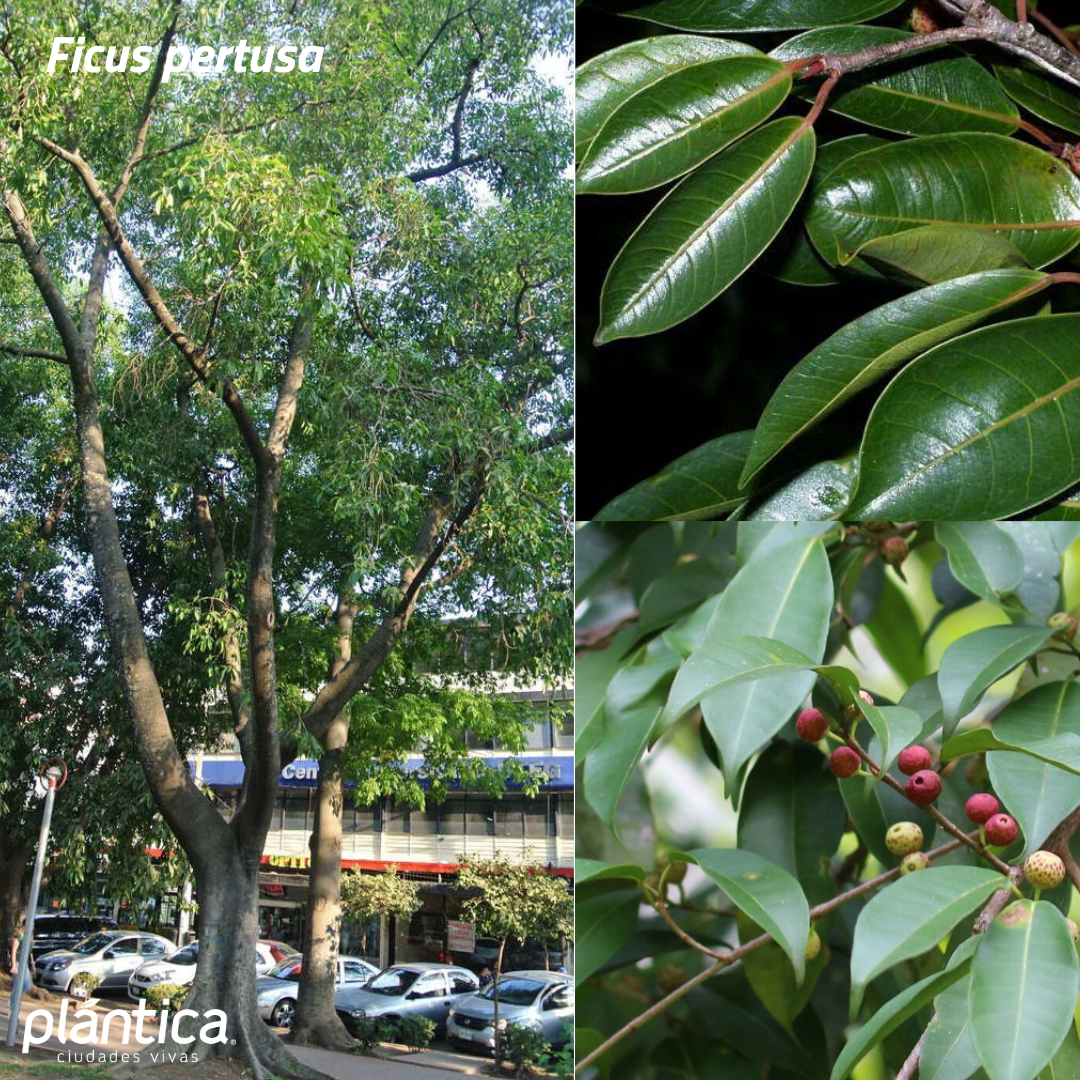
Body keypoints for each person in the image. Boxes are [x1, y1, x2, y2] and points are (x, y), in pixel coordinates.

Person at [8, 916, 35, 993]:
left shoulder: (29, 937)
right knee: (19, 984)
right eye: (31, 925)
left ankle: (16, 1000)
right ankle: (14, 1002)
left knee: (26, 985)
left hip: (24, 964)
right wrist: (13, 965)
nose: (32, 927)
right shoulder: (19, 936)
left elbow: (30, 952)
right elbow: (13, 951)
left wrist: (32, 964)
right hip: (18, 963)